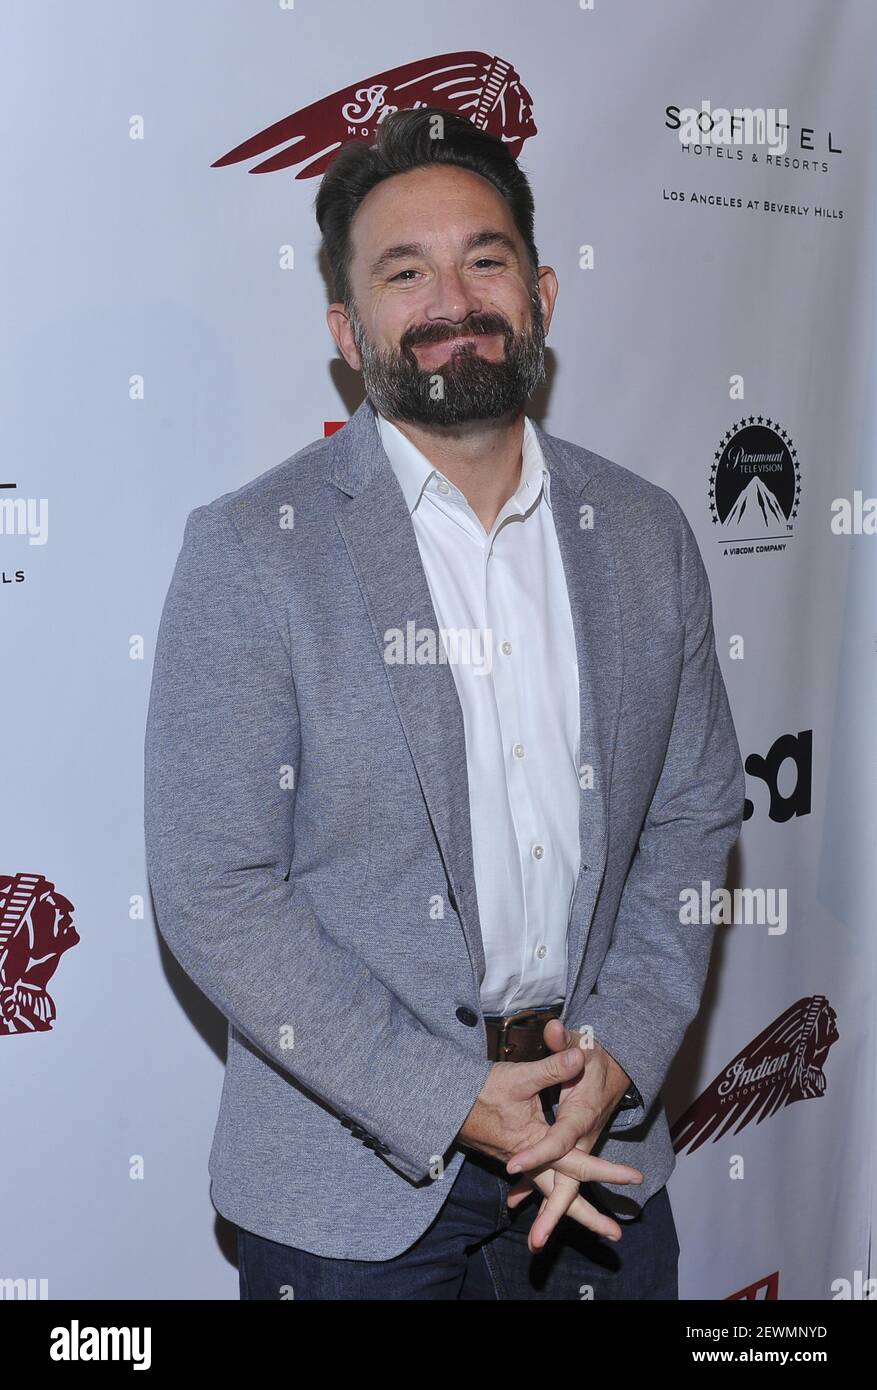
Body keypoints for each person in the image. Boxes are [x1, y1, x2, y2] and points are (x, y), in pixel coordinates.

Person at [144, 106, 746, 1300]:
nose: (451, 299)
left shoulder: (643, 534)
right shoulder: (253, 551)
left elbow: (692, 817)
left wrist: (618, 1056)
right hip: (348, 1190)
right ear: (345, 327)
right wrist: (446, 1097)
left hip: (600, 1149)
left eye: (485, 259)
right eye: (403, 271)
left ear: (542, 293)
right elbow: (213, 885)